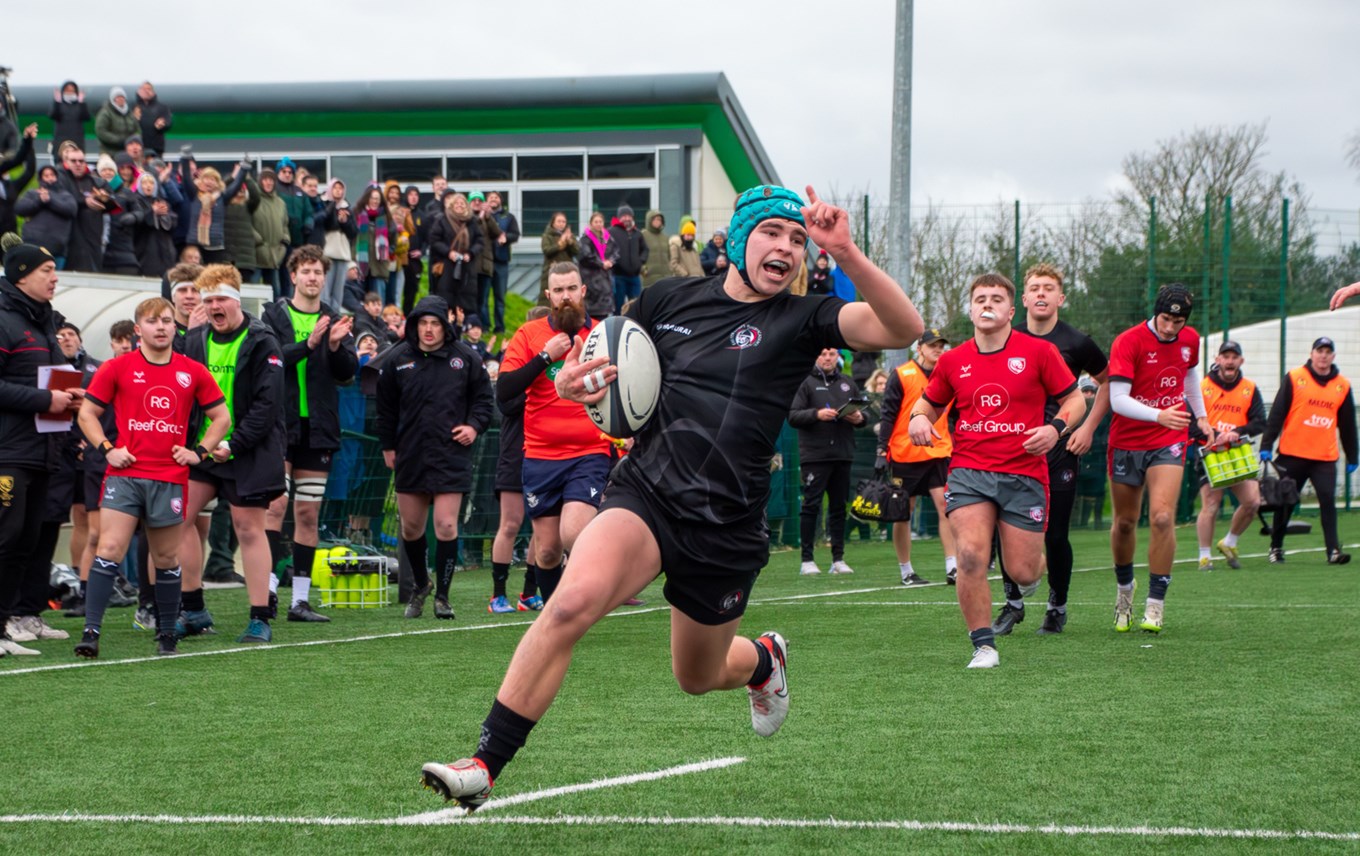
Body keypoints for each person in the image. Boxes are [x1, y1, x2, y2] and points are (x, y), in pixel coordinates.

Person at [419, 184, 923, 811]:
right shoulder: (667, 298)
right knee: (570, 602)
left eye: (797, 240)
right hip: (647, 495)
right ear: (739, 238)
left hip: (727, 525)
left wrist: (843, 251)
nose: (787, 248)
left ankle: (764, 662)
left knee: (698, 676)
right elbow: (602, 365)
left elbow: (906, 326)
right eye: (772, 232)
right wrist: (573, 382)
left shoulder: (805, 316)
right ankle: (484, 765)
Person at [908, 274, 1083, 668]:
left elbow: (1074, 399)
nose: (987, 304)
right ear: (970, 309)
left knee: (1022, 570)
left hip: (1025, 473)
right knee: (970, 555)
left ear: (1010, 310)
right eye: (980, 298)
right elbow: (930, 404)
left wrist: (1055, 429)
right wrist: (919, 418)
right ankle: (983, 645)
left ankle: (1033, 575)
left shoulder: (1038, 352)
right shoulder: (953, 360)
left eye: (996, 298)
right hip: (971, 471)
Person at [74, 297, 229, 658]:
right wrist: (108, 448)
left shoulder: (193, 371)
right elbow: (86, 414)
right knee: (109, 549)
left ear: (176, 327)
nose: (160, 327)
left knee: (165, 557)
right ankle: (91, 633)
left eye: (166, 320)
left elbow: (221, 417)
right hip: (124, 475)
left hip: (170, 478)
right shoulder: (117, 367)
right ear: (137, 328)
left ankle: (166, 635)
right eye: (152, 321)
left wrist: (199, 452)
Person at [992, 263, 1110, 636]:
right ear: (1023, 298)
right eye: (1034, 288)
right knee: (1003, 530)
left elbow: (1108, 383)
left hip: (1059, 450)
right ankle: (1012, 604)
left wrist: (1087, 426)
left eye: (1048, 288)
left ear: (1061, 298)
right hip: (1012, 449)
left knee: (1056, 534)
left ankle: (1057, 608)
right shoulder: (1003, 337)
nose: (1041, 294)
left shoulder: (1078, 342)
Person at [178, 264, 287, 643]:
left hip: (249, 450)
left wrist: (233, 444)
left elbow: (267, 406)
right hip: (205, 450)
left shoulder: (262, 340)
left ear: (237, 300)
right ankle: (192, 609)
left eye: (221, 299)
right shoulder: (194, 340)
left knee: (248, 529)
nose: (213, 306)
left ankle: (260, 617)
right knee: (178, 518)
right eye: (208, 301)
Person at [495, 262, 614, 606]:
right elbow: (504, 391)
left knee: (574, 533)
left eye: (571, 289)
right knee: (546, 551)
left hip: (589, 452)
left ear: (583, 292)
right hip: (540, 456)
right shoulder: (529, 334)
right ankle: (554, 612)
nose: (565, 297)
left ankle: (584, 603)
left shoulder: (604, 333)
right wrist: (547, 356)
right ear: (548, 296)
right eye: (558, 291)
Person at [377, 295, 493, 620]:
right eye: (423, 323)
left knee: (445, 525)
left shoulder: (466, 359)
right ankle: (420, 584)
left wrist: (473, 427)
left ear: (445, 326)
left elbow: (484, 400)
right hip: (410, 454)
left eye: (435, 323)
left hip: (450, 454)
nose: (429, 330)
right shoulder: (397, 359)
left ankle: (443, 596)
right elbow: (384, 409)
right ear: (414, 325)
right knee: (411, 528)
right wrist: (388, 446)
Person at [1105, 284, 1212, 634]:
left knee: (1163, 517)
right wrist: (1157, 415)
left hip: (1169, 437)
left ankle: (1155, 604)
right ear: (1156, 312)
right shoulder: (1128, 341)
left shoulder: (1190, 340)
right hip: (1128, 440)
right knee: (1124, 522)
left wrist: (1201, 416)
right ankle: (1124, 591)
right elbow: (1118, 399)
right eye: (1166, 318)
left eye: (1178, 321)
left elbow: (1189, 375)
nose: (1170, 327)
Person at [262, 245, 358, 622]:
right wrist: (310, 344)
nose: (313, 277)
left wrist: (334, 345)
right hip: (280, 426)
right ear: (294, 276)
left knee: (307, 513)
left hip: (318, 429)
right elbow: (271, 359)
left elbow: (347, 371)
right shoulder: (274, 314)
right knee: (275, 507)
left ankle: (298, 601)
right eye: (306, 271)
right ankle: (265, 591)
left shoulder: (335, 318)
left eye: (318, 271)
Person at [0, 245, 84, 657]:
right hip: (7, 453)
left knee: (27, 539)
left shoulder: (46, 322)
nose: (55, 277)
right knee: (5, 534)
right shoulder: (3, 320)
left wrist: (69, 398)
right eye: (47, 270)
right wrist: (42, 400)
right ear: (21, 275)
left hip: (43, 450)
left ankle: (11, 621)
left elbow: (49, 383)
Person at [1259, 336, 1357, 565]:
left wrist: (1353, 455)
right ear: (1312, 354)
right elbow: (1277, 414)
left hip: (1324, 457)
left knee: (1327, 500)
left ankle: (1333, 551)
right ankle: (1276, 547)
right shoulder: (1295, 378)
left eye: (1327, 352)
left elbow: (1348, 424)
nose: (1323, 356)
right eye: (1319, 351)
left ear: (1333, 356)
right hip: (1292, 454)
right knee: (1286, 502)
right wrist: (1266, 444)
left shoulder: (1342, 385)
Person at [878, 328, 957, 586]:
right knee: (904, 513)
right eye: (933, 345)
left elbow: (954, 416)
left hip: (939, 450)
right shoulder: (901, 375)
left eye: (941, 346)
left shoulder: (947, 375)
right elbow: (888, 415)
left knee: (946, 507)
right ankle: (906, 571)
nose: (938, 350)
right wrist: (882, 450)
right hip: (906, 452)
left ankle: (952, 567)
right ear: (919, 348)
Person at [488, 307, 548, 614]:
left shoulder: (555, 367)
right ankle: (498, 594)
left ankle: (528, 592)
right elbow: (506, 403)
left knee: (543, 528)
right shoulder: (514, 365)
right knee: (510, 524)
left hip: (545, 453)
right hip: (515, 452)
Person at [789, 348, 867, 575]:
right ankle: (806, 560)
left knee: (838, 508)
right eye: (822, 353)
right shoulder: (805, 383)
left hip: (843, 454)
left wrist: (859, 417)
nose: (827, 358)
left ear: (837, 357)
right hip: (815, 455)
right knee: (811, 506)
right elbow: (793, 415)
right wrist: (816, 415)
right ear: (816, 356)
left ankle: (838, 559)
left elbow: (864, 411)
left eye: (831, 354)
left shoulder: (847, 383)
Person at [1193, 341, 1265, 570]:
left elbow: (1260, 421)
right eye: (1226, 356)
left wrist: (1236, 432)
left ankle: (1229, 541)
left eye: (1234, 356)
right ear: (1217, 359)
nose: (1230, 360)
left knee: (1253, 502)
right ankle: (1204, 556)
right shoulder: (1202, 387)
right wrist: (1215, 434)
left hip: (1237, 453)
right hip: (1211, 453)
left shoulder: (1249, 388)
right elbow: (1191, 421)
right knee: (1211, 503)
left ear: (1241, 361)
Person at [486, 192, 519, 334]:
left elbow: (516, 234)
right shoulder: (484, 216)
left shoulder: (509, 217)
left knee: (500, 297)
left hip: (501, 261)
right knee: (484, 297)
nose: (493, 199)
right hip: (485, 262)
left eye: (496, 197)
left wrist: (506, 237)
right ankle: (484, 326)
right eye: (491, 197)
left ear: (500, 200)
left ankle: (499, 328)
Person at [577, 210, 619, 321]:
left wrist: (611, 261)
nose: (598, 224)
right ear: (591, 223)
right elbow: (585, 256)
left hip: (605, 279)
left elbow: (616, 252)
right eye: (596, 221)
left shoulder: (608, 238)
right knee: (592, 312)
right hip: (591, 278)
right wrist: (601, 263)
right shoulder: (585, 239)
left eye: (600, 221)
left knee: (604, 311)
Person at [607, 204, 647, 313]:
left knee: (637, 305)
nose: (627, 218)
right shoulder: (611, 231)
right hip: (618, 276)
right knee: (618, 306)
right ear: (619, 217)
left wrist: (640, 262)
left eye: (629, 216)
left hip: (635, 277)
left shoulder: (637, 233)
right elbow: (605, 249)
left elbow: (645, 249)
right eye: (624, 216)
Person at [538, 211, 578, 300]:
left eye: (563, 222)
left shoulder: (570, 235)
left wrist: (570, 242)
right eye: (559, 221)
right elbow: (547, 250)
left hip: (567, 270)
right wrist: (560, 244)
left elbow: (577, 251)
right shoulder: (547, 235)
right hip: (551, 269)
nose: (561, 224)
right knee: (550, 297)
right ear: (553, 222)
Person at [49, 81, 91, 155]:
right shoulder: (59, 104)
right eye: (67, 90)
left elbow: (87, 117)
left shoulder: (79, 105)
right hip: (61, 140)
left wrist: (81, 103)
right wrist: (57, 102)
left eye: (72, 90)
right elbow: (53, 116)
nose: (70, 92)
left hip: (77, 140)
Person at [95, 87, 139, 157]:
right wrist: (119, 140)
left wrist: (133, 141)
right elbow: (101, 131)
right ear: (113, 99)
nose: (121, 99)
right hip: (109, 152)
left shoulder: (129, 113)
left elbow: (137, 129)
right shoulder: (105, 113)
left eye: (122, 97)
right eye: (118, 97)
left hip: (127, 152)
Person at [133, 82, 174, 157]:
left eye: (148, 89)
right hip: (138, 148)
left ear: (153, 92)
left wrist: (163, 124)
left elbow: (169, 121)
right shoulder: (133, 107)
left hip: (156, 149)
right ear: (138, 91)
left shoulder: (162, 107)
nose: (146, 91)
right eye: (143, 89)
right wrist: (134, 119)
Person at [641, 210, 670, 288]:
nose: (658, 221)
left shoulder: (665, 237)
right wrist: (643, 270)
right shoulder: (643, 235)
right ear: (649, 220)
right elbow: (637, 255)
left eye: (659, 219)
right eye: (655, 219)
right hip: (649, 278)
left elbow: (669, 257)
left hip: (665, 278)